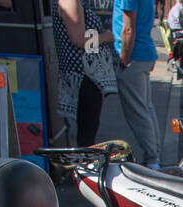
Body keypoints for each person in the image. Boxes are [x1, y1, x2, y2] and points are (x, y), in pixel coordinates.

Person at [54, 0, 118, 147]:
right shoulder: (70, 2)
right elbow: (78, 40)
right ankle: (82, 166)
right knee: (85, 135)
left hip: (85, 75)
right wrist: (107, 37)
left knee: (86, 132)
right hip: (82, 76)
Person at [114, 0, 163, 169]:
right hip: (143, 53)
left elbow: (128, 28)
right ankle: (154, 157)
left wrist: (123, 60)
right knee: (146, 109)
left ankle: (152, 160)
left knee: (138, 112)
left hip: (133, 56)